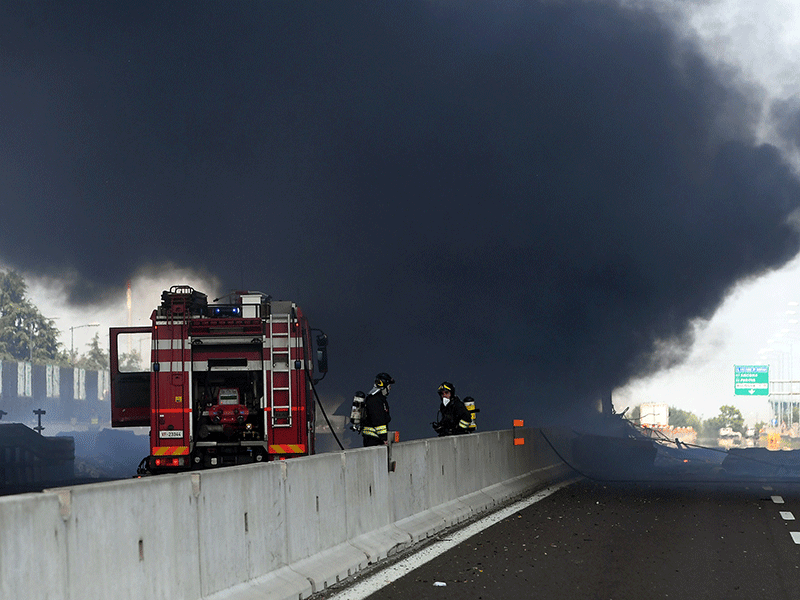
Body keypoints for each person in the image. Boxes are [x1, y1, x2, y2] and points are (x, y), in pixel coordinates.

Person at [362, 372, 394, 447]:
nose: (390, 388)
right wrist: (384, 438)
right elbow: (379, 421)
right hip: (373, 441)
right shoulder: (375, 401)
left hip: (375, 440)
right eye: (389, 386)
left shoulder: (379, 400)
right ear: (384, 386)